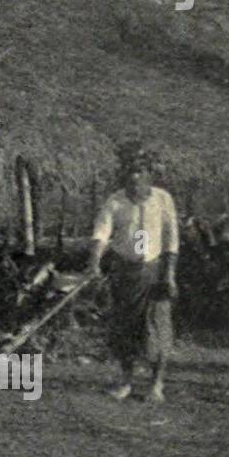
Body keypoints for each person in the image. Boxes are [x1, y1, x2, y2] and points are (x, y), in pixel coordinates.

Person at [86, 140, 180, 403]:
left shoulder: (163, 200)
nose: (134, 180)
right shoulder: (115, 201)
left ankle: (156, 384)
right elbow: (101, 234)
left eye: (139, 174)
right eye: (129, 175)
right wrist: (94, 262)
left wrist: (169, 275)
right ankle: (126, 381)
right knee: (125, 328)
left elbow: (171, 239)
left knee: (158, 328)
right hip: (126, 273)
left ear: (149, 175)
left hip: (155, 271)